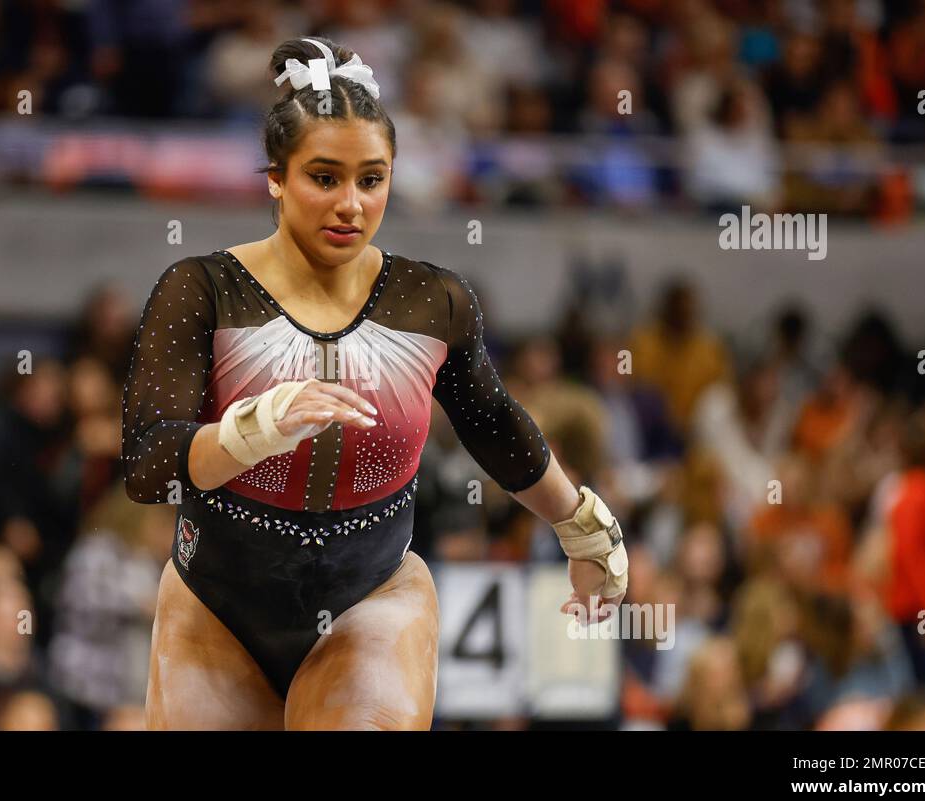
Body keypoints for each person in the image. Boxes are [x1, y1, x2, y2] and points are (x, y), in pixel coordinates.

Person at [121, 37, 629, 730]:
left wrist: (581, 525)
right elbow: (148, 465)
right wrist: (252, 432)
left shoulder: (432, 302)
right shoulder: (201, 289)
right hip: (215, 606)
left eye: (371, 179)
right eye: (324, 177)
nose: (351, 205)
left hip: (370, 599)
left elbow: (491, 422)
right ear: (275, 177)